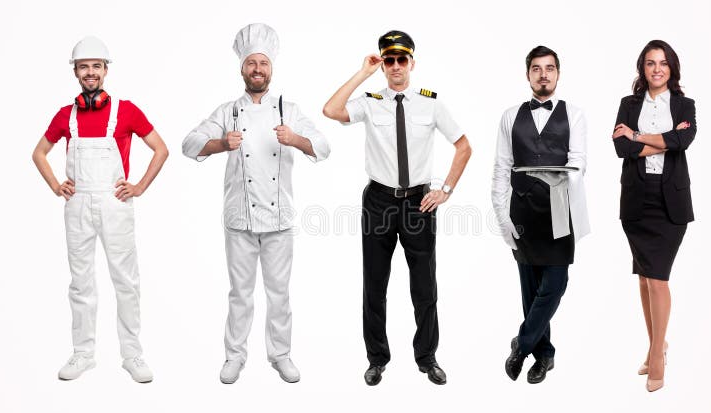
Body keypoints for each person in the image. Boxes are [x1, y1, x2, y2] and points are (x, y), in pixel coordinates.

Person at [182, 23, 330, 385]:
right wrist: (219, 144)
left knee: (279, 294)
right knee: (240, 294)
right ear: (242, 69)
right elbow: (188, 144)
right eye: (252, 64)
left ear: (271, 68)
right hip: (239, 220)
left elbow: (324, 147)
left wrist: (294, 138)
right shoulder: (228, 111)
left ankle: (280, 355)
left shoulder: (288, 109)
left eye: (263, 63)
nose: (258, 69)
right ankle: (235, 356)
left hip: (278, 219)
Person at [323, 30, 471, 386]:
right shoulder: (371, 100)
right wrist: (363, 73)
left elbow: (463, 146)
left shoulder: (430, 102)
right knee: (374, 284)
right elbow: (331, 110)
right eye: (388, 60)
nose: (394, 66)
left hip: (419, 202)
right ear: (382, 64)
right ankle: (377, 359)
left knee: (424, 286)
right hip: (379, 201)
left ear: (412, 63)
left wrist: (445, 190)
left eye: (400, 59)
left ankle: (427, 357)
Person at [31, 36, 168, 383]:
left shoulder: (126, 111)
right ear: (75, 72)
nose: (90, 73)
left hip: (115, 203)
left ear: (106, 70)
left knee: (126, 280)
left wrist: (138, 186)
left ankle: (133, 355)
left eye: (95, 66)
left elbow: (161, 149)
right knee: (81, 283)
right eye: (83, 67)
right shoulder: (66, 115)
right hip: (77, 205)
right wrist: (55, 184)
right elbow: (39, 153)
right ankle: (83, 354)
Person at [492, 45, 589, 384]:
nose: (543, 74)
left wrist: (554, 176)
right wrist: (501, 215)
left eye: (549, 68)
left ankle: (523, 342)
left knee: (556, 284)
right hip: (521, 211)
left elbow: (579, 163)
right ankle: (544, 355)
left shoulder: (574, 114)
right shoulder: (509, 115)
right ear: (528, 74)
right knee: (530, 290)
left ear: (558, 74)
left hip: (559, 209)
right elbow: (502, 168)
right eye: (537, 68)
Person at [612, 39, 696, 392]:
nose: (657, 69)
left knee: (658, 279)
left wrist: (639, 137)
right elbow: (621, 147)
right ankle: (655, 344)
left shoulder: (684, 104)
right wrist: (662, 138)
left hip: (669, 201)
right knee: (645, 279)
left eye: (663, 63)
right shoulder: (628, 104)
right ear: (642, 68)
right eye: (650, 63)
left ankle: (658, 356)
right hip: (636, 199)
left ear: (672, 68)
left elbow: (684, 141)